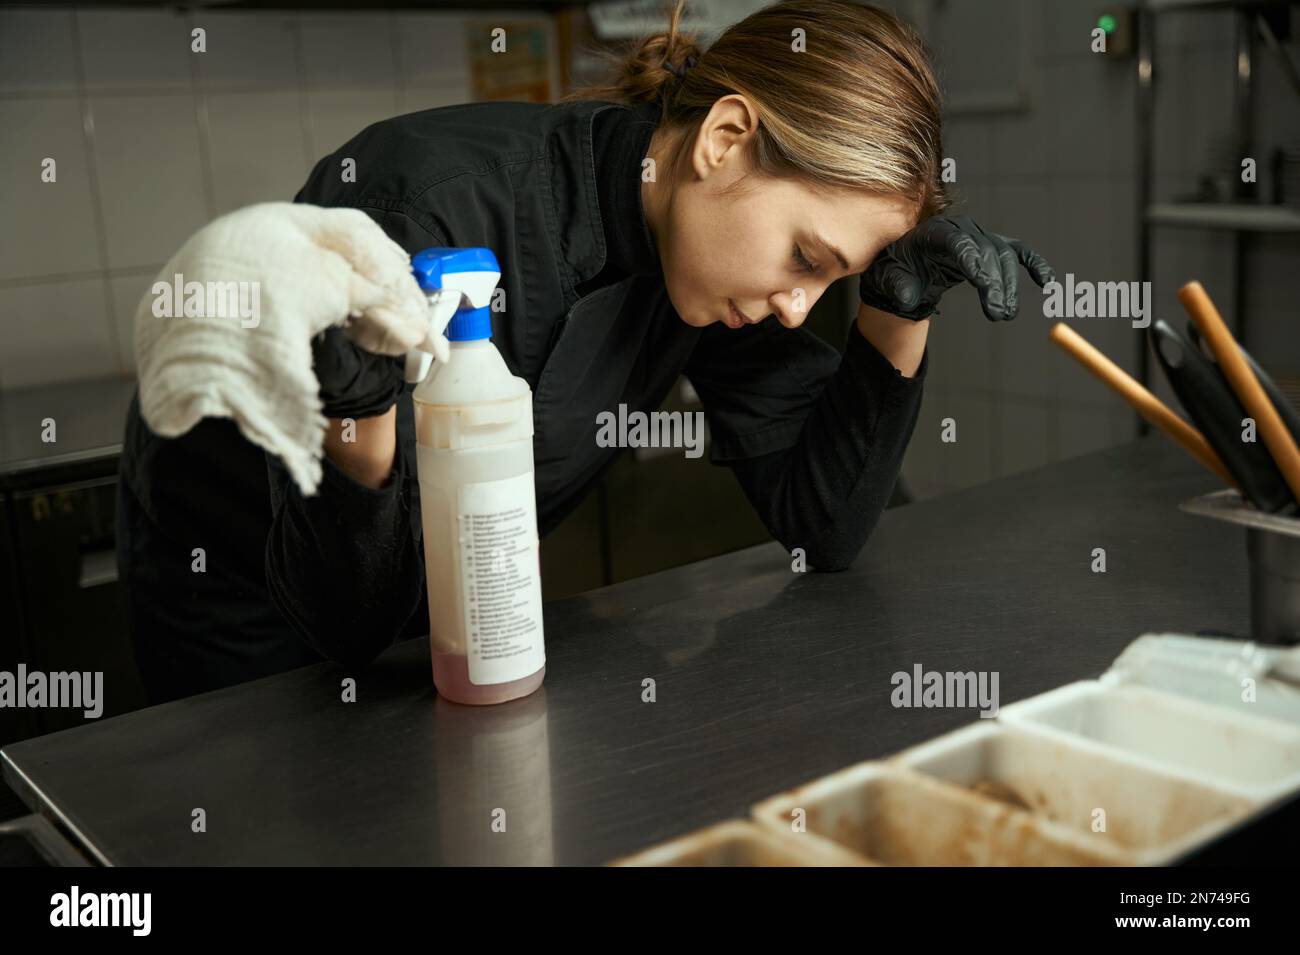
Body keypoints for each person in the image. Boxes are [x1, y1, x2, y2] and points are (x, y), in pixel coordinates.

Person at [116, 0, 1053, 704]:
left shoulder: (711, 274)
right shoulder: (425, 206)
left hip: (447, 627)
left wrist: (896, 312)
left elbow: (825, 528)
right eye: (807, 258)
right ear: (725, 140)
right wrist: (360, 412)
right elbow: (345, 625)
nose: (796, 305)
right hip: (246, 604)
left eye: (835, 278)